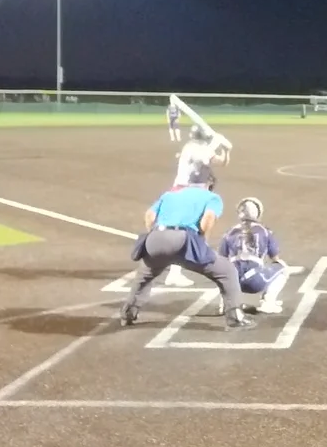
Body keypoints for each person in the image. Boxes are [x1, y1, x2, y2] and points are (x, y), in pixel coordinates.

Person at [120, 165, 253, 330]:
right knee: (227, 271)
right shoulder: (212, 197)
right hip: (183, 241)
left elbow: (149, 215)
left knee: (144, 275)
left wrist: (158, 237)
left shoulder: (170, 195)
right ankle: (235, 318)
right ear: (209, 182)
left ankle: (128, 314)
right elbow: (207, 220)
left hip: (154, 239)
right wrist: (201, 241)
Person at [164, 125, 230, 286]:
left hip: (194, 192)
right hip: (185, 190)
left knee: (194, 227)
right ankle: (174, 272)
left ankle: (193, 257)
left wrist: (227, 150)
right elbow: (204, 158)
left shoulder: (201, 148)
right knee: (186, 229)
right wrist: (217, 142)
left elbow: (221, 162)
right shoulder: (193, 149)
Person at [215, 197, 292, 316]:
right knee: (282, 268)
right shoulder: (265, 231)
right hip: (255, 282)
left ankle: (227, 304)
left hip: (233, 282)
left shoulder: (229, 232)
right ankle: (268, 302)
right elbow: (275, 258)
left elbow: (221, 259)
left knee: (222, 271)